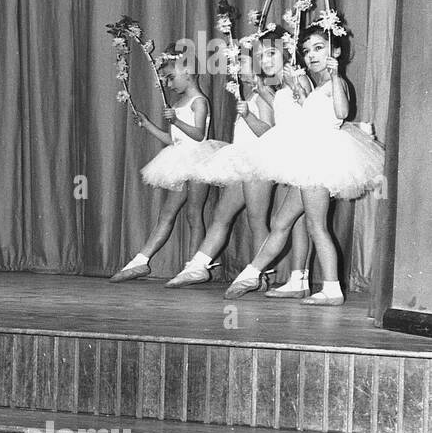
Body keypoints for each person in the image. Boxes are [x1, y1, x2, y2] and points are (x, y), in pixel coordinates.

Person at [225, 22, 385, 306]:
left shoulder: (337, 83)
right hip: (308, 159)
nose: (311, 55)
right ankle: (250, 273)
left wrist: (336, 78)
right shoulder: (317, 86)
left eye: (319, 48)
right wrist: (299, 98)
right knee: (281, 221)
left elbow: (342, 112)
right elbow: (306, 119)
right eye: (307, 50)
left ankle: (332, 289)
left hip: (320, 160)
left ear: (335, 52)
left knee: (316, 225)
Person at [165, 26, 311, 292]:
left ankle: (261, 275)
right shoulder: (257, 92)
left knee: (257, 221)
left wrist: (248, 115)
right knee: (222, 214)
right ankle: (198, 265)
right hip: (244, 161)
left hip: (258, 162)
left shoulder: (265, 93)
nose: (235, 67)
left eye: (240, 62)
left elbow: (268, 132)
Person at [109, 46, 226, 282]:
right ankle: (140, 261)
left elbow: (199, 135)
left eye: (171, 78)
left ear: (188, 72)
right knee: (167, 213)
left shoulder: (199, 101)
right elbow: (172, 140)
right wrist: (148, 123)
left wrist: (176, 121)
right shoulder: (180, 102)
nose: (169, 85)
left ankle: (194, 268)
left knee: (194, 214)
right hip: (180, 161)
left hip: (198, 161)